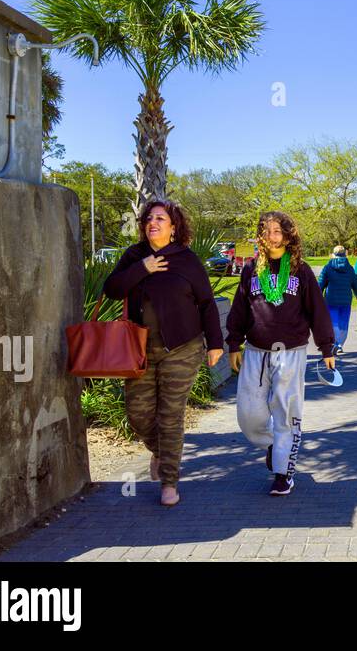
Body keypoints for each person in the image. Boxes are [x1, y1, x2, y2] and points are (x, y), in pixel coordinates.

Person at [103, 200, 224, 507]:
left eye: (160, 218)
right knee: (138, 414)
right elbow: (113, 289)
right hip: (139, 349)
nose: (153, 222)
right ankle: (161, 450)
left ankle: (169, 481)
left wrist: (215, 343)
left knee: (171, 416)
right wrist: (143, 269)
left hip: (182, 348)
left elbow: (207, 304)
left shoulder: (187, 260)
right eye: (149, 218)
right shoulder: (134, 256)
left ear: (174, 227)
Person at [227, 211, 335, 497]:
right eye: (266, 231)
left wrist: (326, 347)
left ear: (288, 236)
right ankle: (273, 446)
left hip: (291, 352)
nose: (272, 236)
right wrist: (233, 343)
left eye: (278, 231)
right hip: (255, 352)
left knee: (286, 412)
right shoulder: (251, 269)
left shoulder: (301, 270)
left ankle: (283, 471)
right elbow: (240, 309)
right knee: (249, 414)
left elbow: (318, 311)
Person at [317, 245, 357, 354]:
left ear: (334, 254)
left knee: (333, 322)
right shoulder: (350, 268)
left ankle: (334, 343)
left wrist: (317, 295)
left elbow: (321, 283)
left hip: (331, 300)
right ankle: (339, 344)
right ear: (345, 254)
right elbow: (355, 283)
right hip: (346, 300)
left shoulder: (328, 267)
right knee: (343, 322)